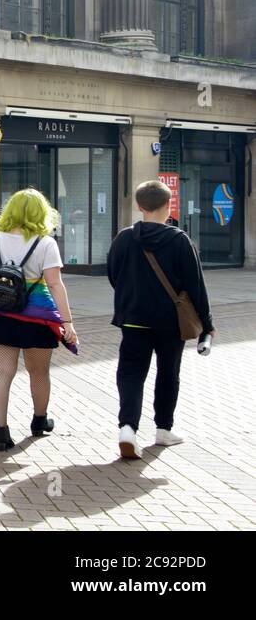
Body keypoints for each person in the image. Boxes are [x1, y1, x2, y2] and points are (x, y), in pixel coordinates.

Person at [106, 179, 215, 459]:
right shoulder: (180, 240)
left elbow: (113, 276)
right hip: (170, 322)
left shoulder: (124, 238)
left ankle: (127, 428)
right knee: (168, 373)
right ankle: (163, 430)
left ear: (140, 206)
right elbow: (196, 286)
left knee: (130, 373)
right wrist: (207, 323)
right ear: (169, 205)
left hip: (133, 318)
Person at [0, 189, 77, 450]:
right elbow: (55, 284)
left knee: (2, 373)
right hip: (36, 317)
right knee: (39, 371)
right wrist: (67, 322)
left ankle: (1, 432)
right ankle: (39, 421)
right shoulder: (45, 243)